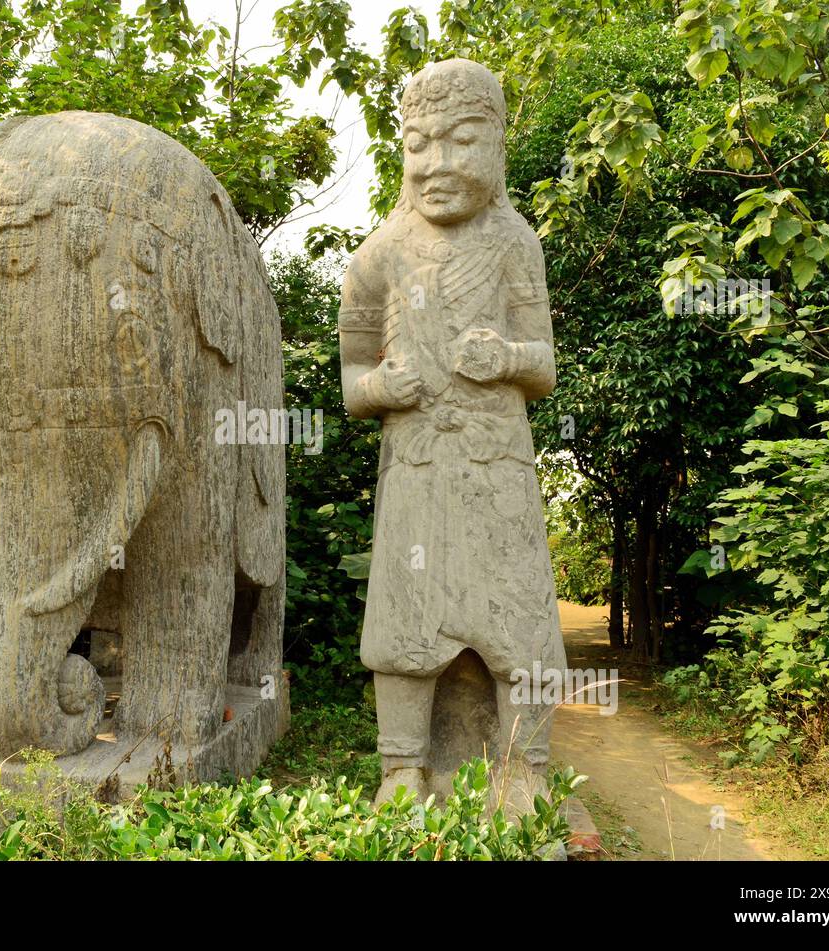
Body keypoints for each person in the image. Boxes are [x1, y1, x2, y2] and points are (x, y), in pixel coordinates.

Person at [337, 58, 567, 808]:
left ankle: (523, 766)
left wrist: (506, 357)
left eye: (462, 140)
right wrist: (380, 387)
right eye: (419, 143)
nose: (437, 163)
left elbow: (545, 366)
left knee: (521, 618)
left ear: (498, 146)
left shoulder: (514, 243)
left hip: (497, 459)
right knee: (406, 621)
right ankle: (402, 766)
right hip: (418, 464)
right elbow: (349, 380)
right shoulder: (378, 255)